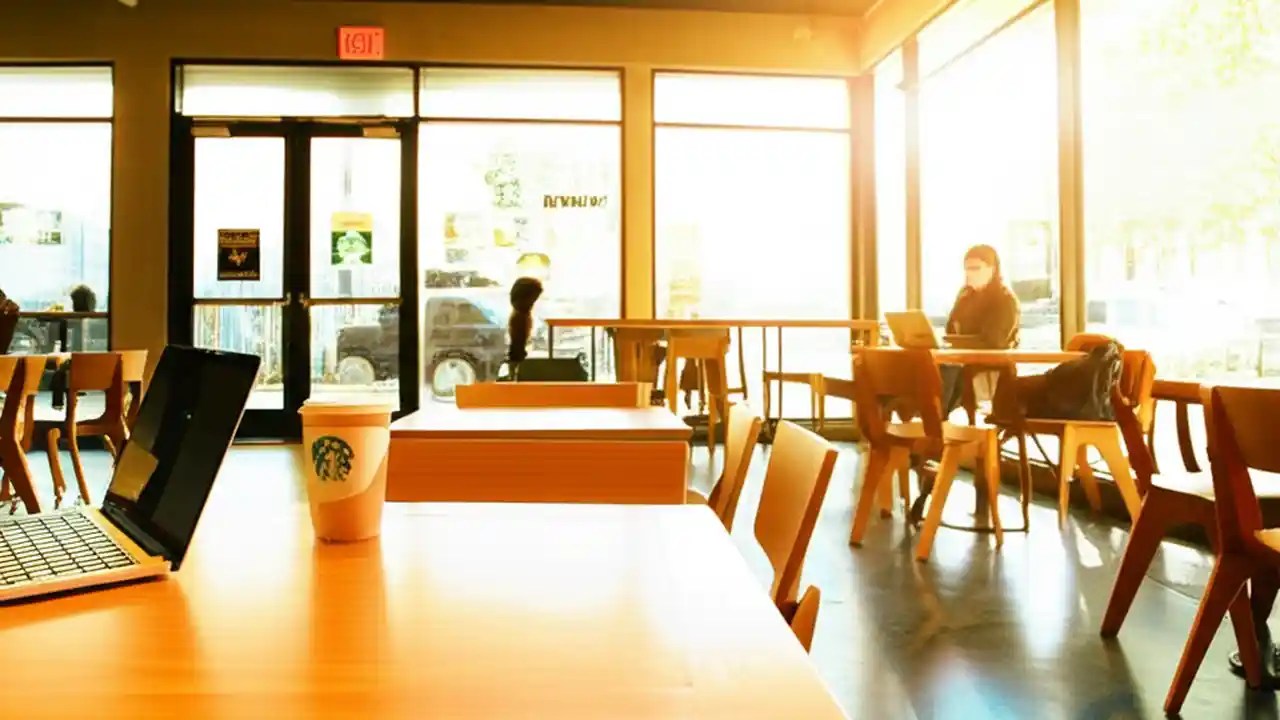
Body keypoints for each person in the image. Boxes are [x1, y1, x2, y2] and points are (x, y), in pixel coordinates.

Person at [908, 245, 1021, 523]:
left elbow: (995, 341)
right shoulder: (965, 296)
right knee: (932, 368)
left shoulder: (1005, 300)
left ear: (993, 269)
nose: (970, 274)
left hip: (990, 374)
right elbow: (951, 330)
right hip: (963, 367)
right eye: (967, 268)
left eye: (977, 268)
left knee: (946, 375)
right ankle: (928, 425)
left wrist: (965, 341)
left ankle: (928, 429)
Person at [50, 283, 98, 410]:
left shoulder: (69, 321)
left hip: (78, 363)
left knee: (59, 372)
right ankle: (65, 400)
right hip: (100, 363)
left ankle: (58, 403)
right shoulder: (99, 320)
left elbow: (63, 345)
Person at [506, 276, 544, 368]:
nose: (533, 303)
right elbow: (517, 349)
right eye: (533, 299)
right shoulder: (520, 318)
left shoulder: (520, 316)